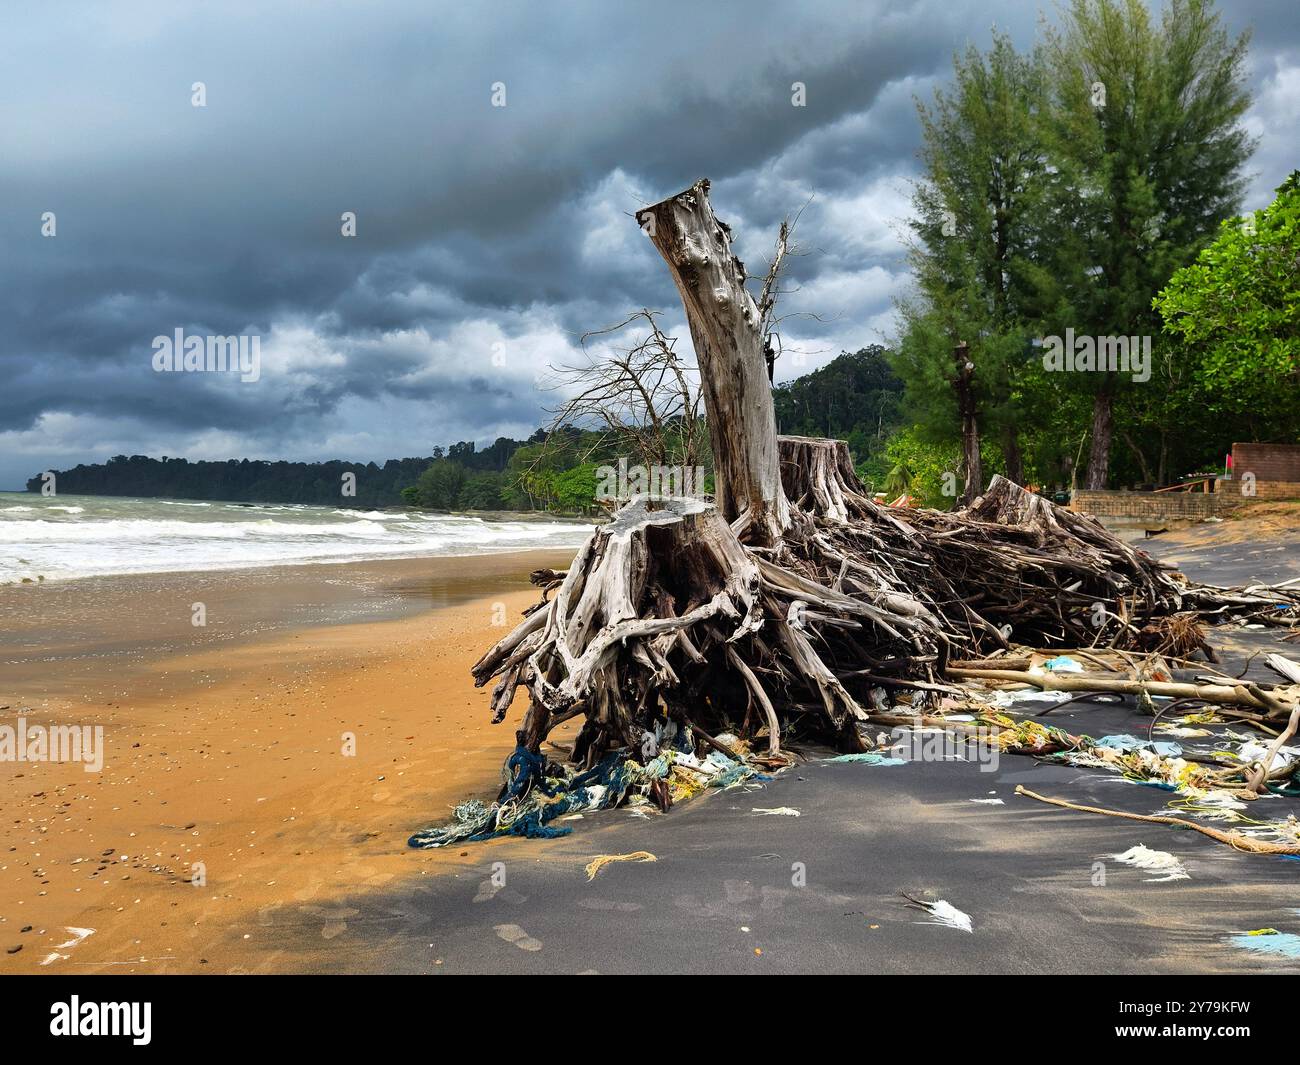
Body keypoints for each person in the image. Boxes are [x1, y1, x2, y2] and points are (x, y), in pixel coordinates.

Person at [498, 730, 553, 803]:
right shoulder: (524, 760)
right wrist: (512, 794)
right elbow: (523, 779)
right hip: (519, 780)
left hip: (524, 776)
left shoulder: (526, 756)